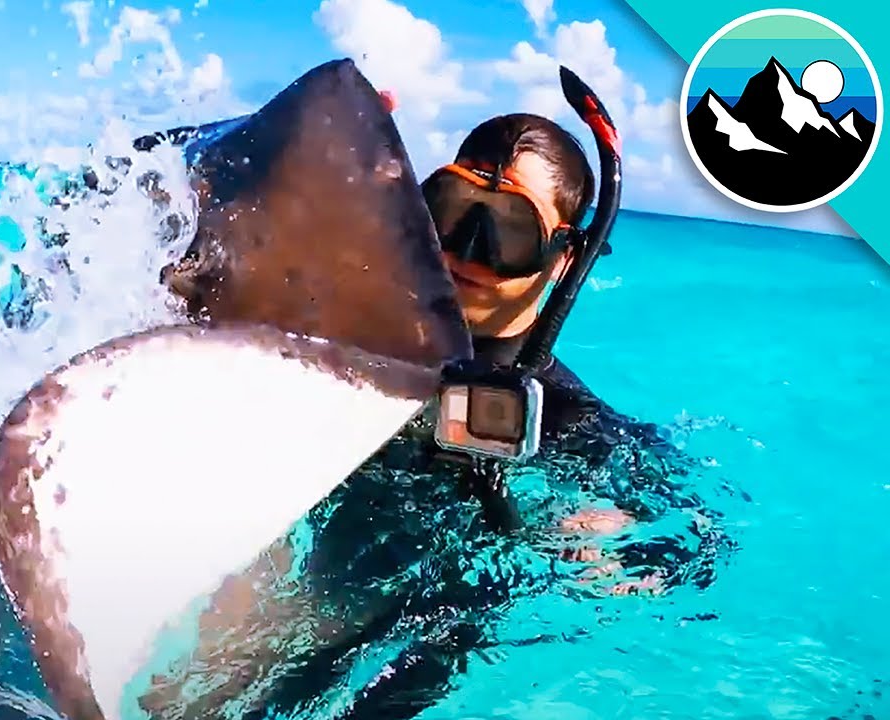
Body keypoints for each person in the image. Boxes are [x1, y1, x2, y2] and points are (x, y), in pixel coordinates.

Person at [233, 108, 736, 720]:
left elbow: (694, 550)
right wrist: (302, 150)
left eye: (510, 230)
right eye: (453, 211)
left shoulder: (567, 420)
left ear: (564, 256)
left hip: (427, 632)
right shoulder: (357, 343)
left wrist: (609, 546)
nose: (468, 250)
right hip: (292, 588)